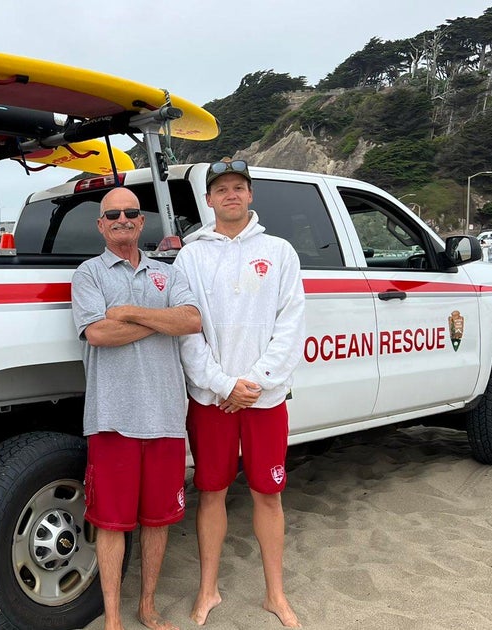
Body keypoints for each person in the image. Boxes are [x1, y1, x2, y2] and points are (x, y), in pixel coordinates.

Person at [173, 160, 306, 628]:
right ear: (208, 200)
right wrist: (223, 384)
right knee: (211, 492)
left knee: (268, 494)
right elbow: (187, 330)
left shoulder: (280, 252)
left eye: (239, 188)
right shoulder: (190, 256)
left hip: (264, 400)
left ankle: (275, 594)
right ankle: (208, 589)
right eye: (221, 189)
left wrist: (254, 382)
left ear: (250, 196)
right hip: (213, 400)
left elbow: (290, 326)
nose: (230, 195)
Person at [71, 186, 202, 630]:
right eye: (113, 215)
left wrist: (127, 311)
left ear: (142, 222)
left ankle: (147, 606)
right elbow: (98, 335)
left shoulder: (167, 271)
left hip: (166, 415)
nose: (123, 219)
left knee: (159, 519)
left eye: (131, 213)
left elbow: (191, 320)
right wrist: (158, 320)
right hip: (112, 417)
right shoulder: (88, 274)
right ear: (101, 225)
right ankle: (112, 617)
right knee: (111, 522)